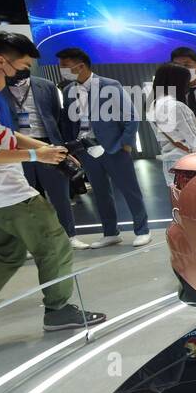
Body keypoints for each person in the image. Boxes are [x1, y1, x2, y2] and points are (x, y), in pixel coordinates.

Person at [0, 32, 105, 349]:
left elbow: (1, 133)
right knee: (55, 244)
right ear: (1, 61)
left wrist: (43, 147)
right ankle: (59, 311)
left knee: (7, 253)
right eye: (21, 65)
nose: (23, 72)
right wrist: (37, 156)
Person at [56, 47, 150, 248]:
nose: (61, 69)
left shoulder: (110, 85)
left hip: (113, 148)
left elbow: (131, 116)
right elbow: (69, 121)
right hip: (86, 150)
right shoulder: (68, 90)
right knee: (100, 193)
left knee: (130, 190)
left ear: (80, 66)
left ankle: (142, 230)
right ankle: (110, 232)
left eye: (64, 65)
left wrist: (124, 144)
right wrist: (73, 147)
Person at [4, 61, 86, 249]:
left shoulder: (45, 85)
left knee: (60, 195)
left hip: (48, 144)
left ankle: (70, 235)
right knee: (21, 198)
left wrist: (62, 146)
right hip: (17, 149)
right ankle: (28, 243)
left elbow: (56, 116)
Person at [149, 62, 196, 187]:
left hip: (170, 164)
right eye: (186, 81)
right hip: (186, 164)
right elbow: (195, 141)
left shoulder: (155, 105)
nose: (188, 85)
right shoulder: (176, 107)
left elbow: (175, 130)